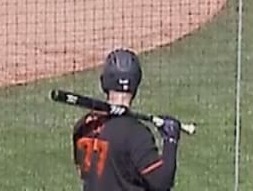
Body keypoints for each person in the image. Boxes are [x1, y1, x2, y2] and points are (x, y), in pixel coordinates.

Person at [71, 48, 184, 191]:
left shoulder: (84, 126)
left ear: (104, 81)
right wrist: (170, 141)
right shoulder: (136, 134)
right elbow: (161, 183)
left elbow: (84, 170)